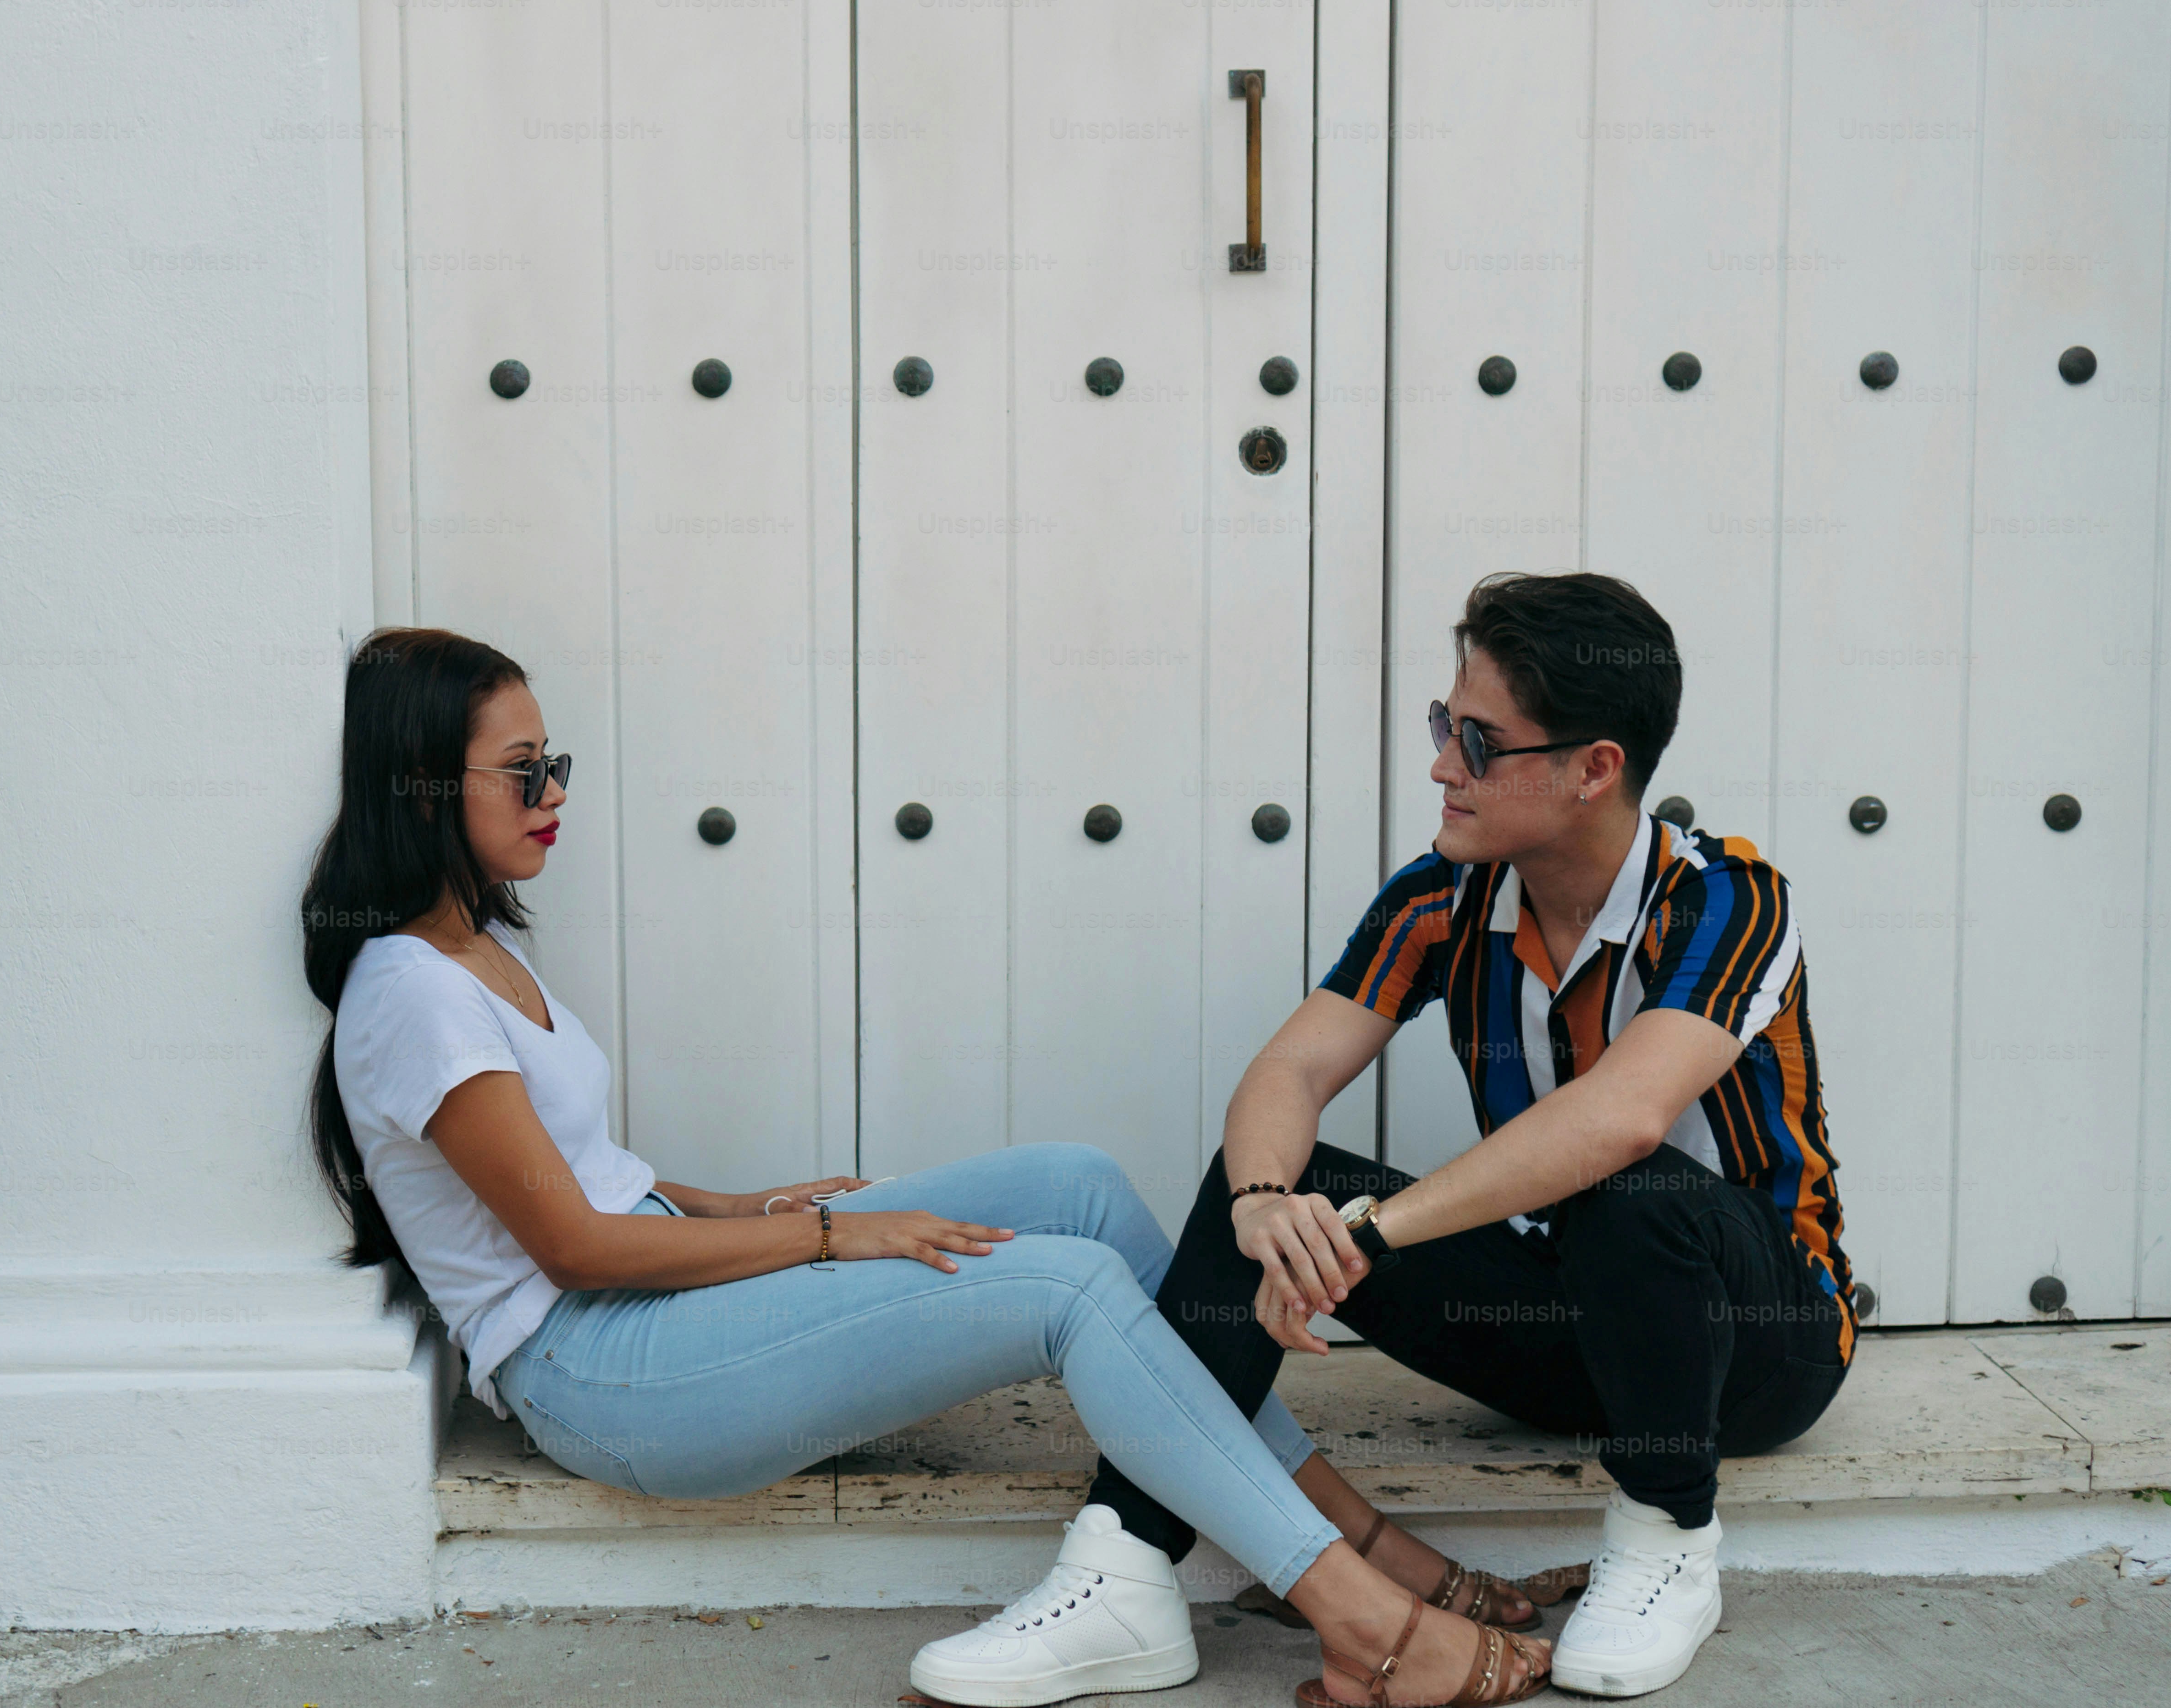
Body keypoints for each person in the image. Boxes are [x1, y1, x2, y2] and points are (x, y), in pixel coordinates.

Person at [303, 627, 1552, 1708]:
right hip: (599, 1368)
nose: (551, 792)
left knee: (1079, 1188)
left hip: (646, 1301)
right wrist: (841, 1235)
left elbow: (583, 1173)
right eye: (522, 772)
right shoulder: (412, 993)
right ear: (422, 788)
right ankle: (1371, 1620)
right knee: (1066, 1290)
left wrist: (742, 1205)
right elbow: (571, 1246)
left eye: (552, 765)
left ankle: (1356, 1538)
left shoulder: (473, 951)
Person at [973, 571, 1851, 1702]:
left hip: (1756, 1341)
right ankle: (1125, 1567)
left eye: (1480, 741)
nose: (1441, 764)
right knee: (1266, 1187)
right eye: (1446, 726)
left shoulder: (1729, 899)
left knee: (1629, 1186)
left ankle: (1666, 1536)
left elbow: (1620, 1118)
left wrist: (1370, 1237)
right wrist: (1266, 1208)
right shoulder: (1444, 894)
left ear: (1595, 768)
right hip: (1563, 1326)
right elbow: (1290, 1067)